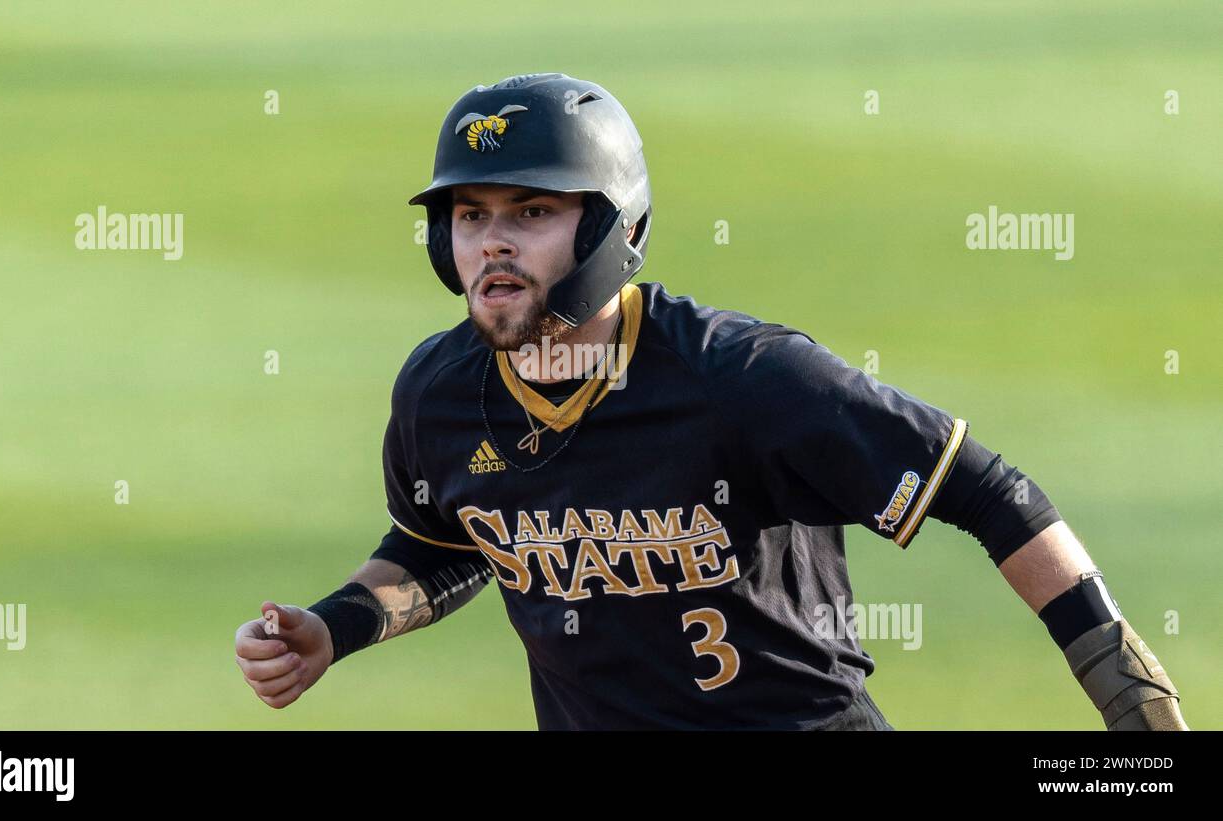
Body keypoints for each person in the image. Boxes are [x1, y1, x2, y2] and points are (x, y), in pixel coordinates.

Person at [234, 73, 1187, 730]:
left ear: (613, 227)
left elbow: (984, 491)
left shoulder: (746, 378)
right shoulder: (439, 395)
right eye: (470, 215)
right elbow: (444, 539)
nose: (493, 243)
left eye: (533, 211)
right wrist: (335, 627)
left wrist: (1125, 692)